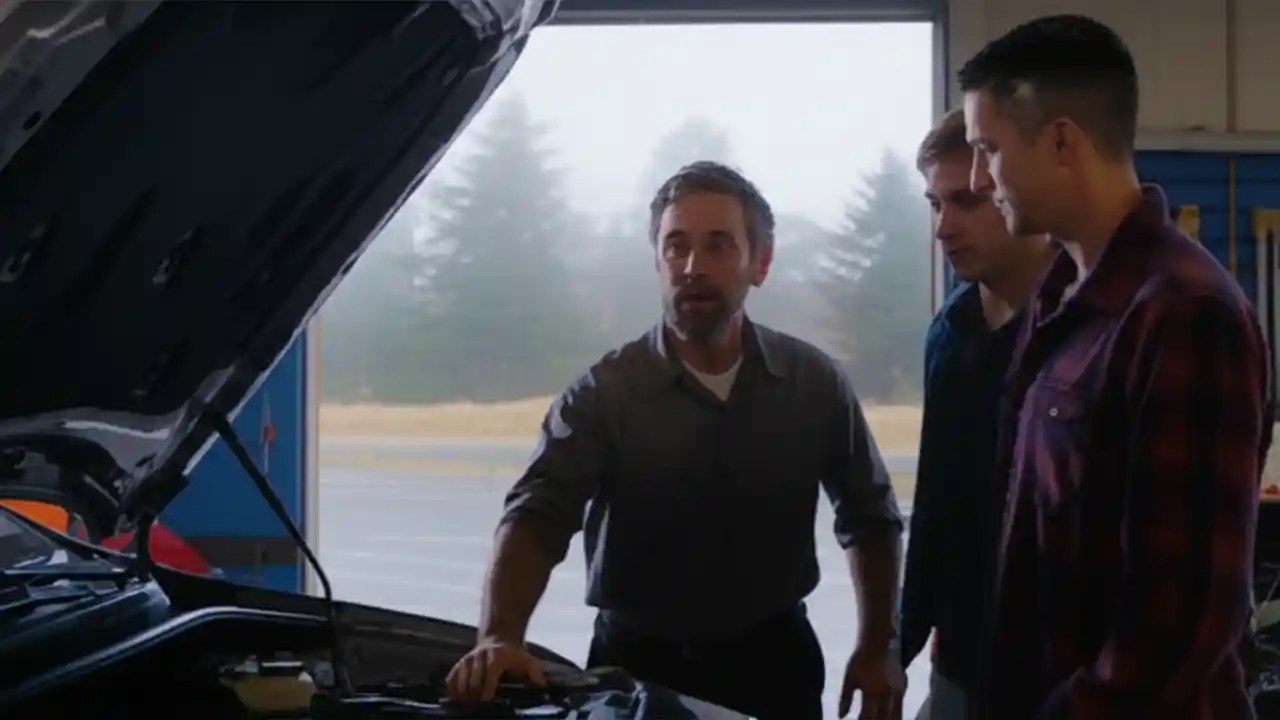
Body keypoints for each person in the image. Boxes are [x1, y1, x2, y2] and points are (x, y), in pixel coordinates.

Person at [445, 160, 907, 719]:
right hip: (635, 669)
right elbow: (537, 516)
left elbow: (870, 518)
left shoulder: (815, 383)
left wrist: (878, 648)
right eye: (676, 246)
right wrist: (500, 635)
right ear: (656, 260)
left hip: (776, 668)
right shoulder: (602, 393)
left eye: (718, 245)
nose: (692, 266)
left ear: (759, 263)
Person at [959, 14, 1273, 719]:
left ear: (1062, 141)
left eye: (988, 149)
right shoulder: (1060, 296)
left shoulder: (1185, 313)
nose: (980, 180)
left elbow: (1181, 624)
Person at [899, 108, 1054, 720]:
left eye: (966, 201)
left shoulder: (1092, 325)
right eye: (935, 205)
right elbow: (936, 501)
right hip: (962, 660)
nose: (943, 227)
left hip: (1062, 668)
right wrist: (899, 643)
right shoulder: (951, 328)